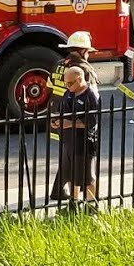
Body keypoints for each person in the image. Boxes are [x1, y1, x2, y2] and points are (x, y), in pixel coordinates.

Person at [48, 31, 98, 200]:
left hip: (57, 117)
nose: (89, 55)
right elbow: (91, 97)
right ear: (83, 51)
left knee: (67, 156)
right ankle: (83, 198)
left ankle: (62, 192)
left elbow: (50, 89)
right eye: (88, 51)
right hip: (76, 122)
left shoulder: (58, 64)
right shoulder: (82, 70)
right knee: (78, 160)